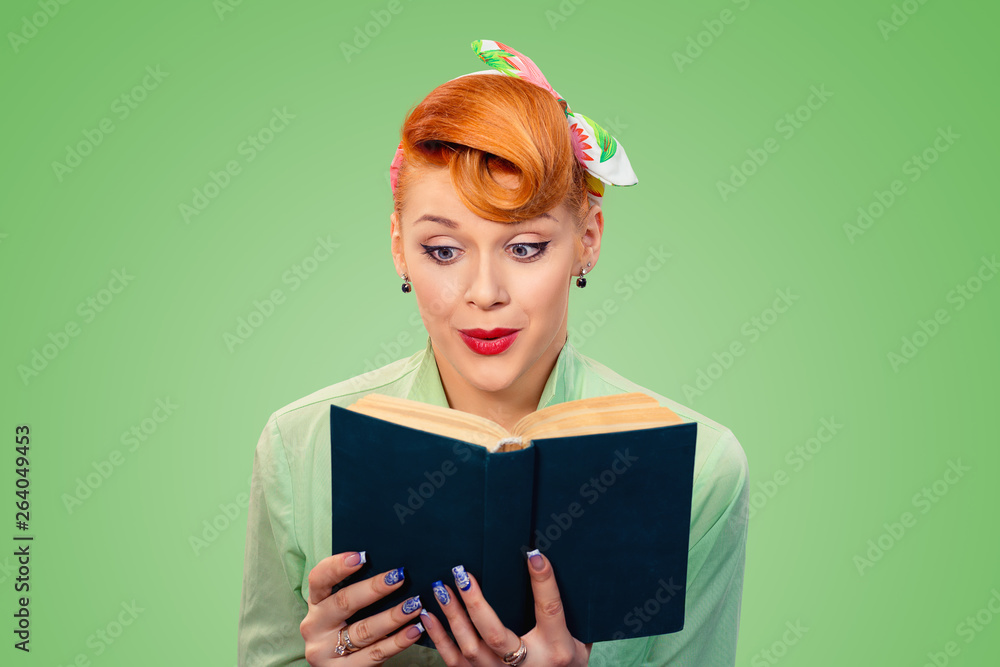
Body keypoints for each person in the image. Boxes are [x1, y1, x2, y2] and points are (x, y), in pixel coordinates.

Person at [238, 39, 749, 666]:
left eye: (525, 247)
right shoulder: (298, 446)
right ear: (399, 248)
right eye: (444, 250)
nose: (484, 293)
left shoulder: (703, 470)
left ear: (588, 240)